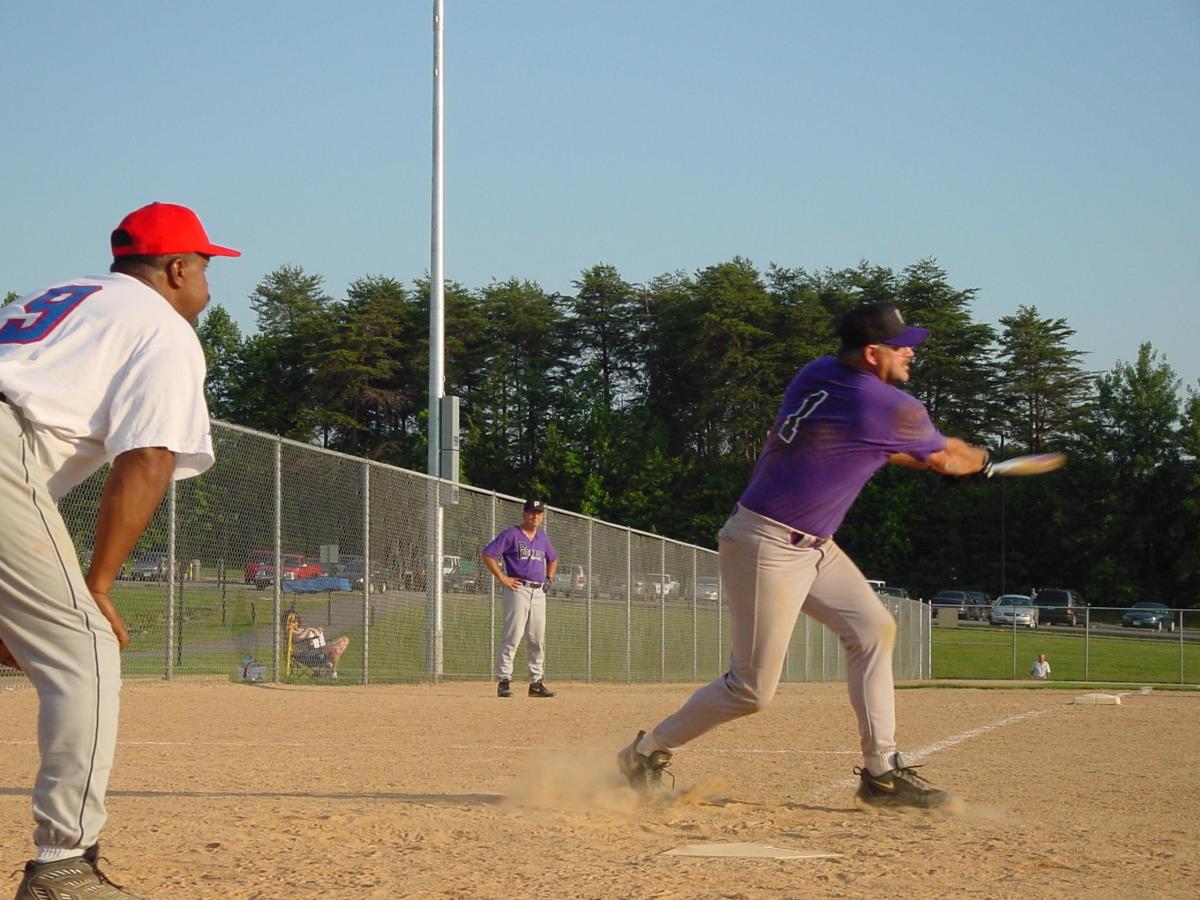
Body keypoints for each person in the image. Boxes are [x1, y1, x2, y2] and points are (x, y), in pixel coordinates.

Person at [617, 301, 992, 810]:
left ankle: (882, 771)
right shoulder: (892, 405)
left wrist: (936, 463)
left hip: (814, 546)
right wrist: (980, 461)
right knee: (751, 691)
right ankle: (646, 751)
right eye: (901, 344)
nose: (910, 352)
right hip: (767, 544)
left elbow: (869, 446)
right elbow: (948, 455)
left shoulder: (819, 372)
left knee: (873, 630)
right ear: (871, 351)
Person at [0, 202, 237, 897]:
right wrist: (97, 586)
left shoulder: (63, 300)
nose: (208, 285)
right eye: (205, 267)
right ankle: (63, 867)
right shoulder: (161, 326)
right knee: (87, 646)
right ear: (174, 269)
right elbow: (148, 459)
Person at [482, 498, 559, 698]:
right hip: (518, 589)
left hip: (538, 591)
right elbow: (488, 554)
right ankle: (504, 680)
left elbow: (553, 558)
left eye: (539, 513)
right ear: (524, 514)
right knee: (513, 635)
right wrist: (502, 577)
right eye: (532, 512)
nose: (535, 516)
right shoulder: (512, 534)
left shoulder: (542, 538)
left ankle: (536, 682)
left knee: (536, 637)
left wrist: (549, 577)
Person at [286, 611, 351, 678]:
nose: (296, 623)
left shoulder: (301, 629)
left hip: (319, 651)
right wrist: (308, 629)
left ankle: (329, 667)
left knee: (345, 640)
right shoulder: (291, 632)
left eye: (297, 621)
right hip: (309, 654)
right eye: (293, 622)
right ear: (288, 623)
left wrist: (317, 630)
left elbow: (312, 636)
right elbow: (297, 639)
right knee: (336, 649)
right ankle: (331, 670)